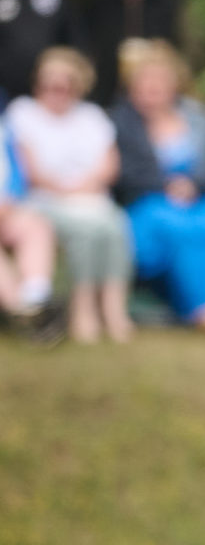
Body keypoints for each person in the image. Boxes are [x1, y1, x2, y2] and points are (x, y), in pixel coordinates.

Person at [111, 39, 205, 331]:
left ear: (174, 84)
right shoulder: (121, 121)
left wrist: (194, 185)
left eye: (159, 81)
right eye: (145, 81)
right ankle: (197, 308)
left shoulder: (198, 117)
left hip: (201, 196)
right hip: (148, 201)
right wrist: (166, 185)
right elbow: (123, 171)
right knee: (175, 225)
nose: (153, 88)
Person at [4, 46, 131, 342]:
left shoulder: (92, 116)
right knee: (85, 230)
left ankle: (113, 309)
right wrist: (66, 189)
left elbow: (110, 165)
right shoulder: (23, 112)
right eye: (48, 84)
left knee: (114, 226)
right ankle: (82, 309)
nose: (55, 91)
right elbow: (28, 169)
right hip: (43, 199)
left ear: (77, 85)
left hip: (90, 198)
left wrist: (84, 188)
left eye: (63, 85)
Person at [0, 123, 66, 342]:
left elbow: (17, 175)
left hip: (6, 211)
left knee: (36, 227)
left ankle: (36, 298)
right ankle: (23, 314)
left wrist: (9, 202)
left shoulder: (4, 130)